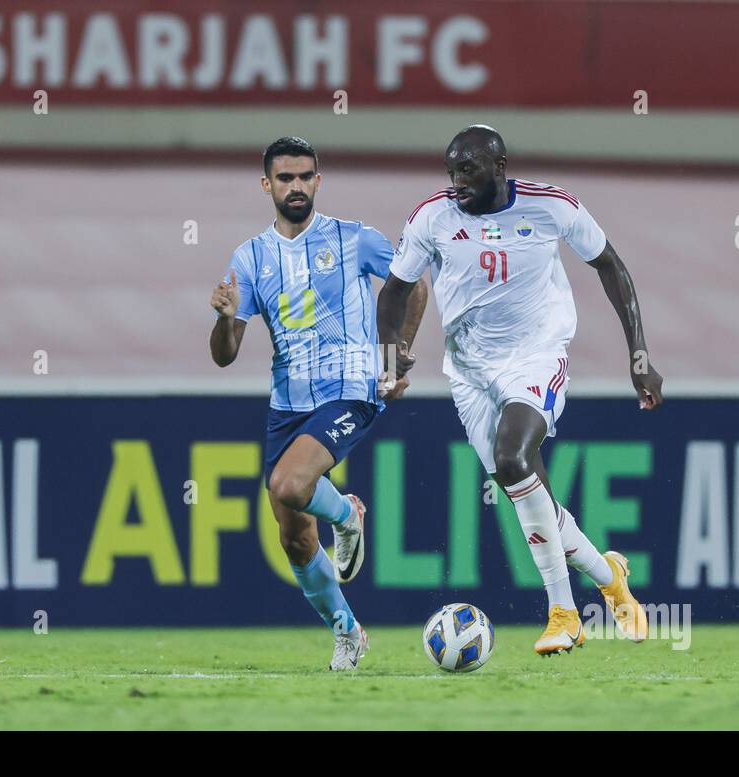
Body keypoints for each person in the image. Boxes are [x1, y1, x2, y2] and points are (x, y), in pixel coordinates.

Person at [376, 125, 662, 656]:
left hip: (536, 354)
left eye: (468, 170)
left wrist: (638, 354)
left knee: (513, 457)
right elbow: (393, 292)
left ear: (500, 165)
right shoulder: (431, 218)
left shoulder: (553, 208)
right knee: (532, 496)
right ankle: (611, 577)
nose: (456, 181)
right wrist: (390, 355)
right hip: (467, 372)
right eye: (451, 171)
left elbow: (611, 268)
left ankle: (563, 614)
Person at [209, 137, 428, 670]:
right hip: (287, 405)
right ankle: (348, 631)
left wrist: (394, 359)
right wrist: (223, 317)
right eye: (285, 178)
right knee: (294, 536)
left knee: (289, 484)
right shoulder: (251, 258)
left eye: (306, 176)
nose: (297, 186)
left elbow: (412, 286)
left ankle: (348, 515)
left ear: (318, 181)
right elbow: (225, 355)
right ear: (267, 186)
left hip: (351, 388)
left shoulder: (354, 239)